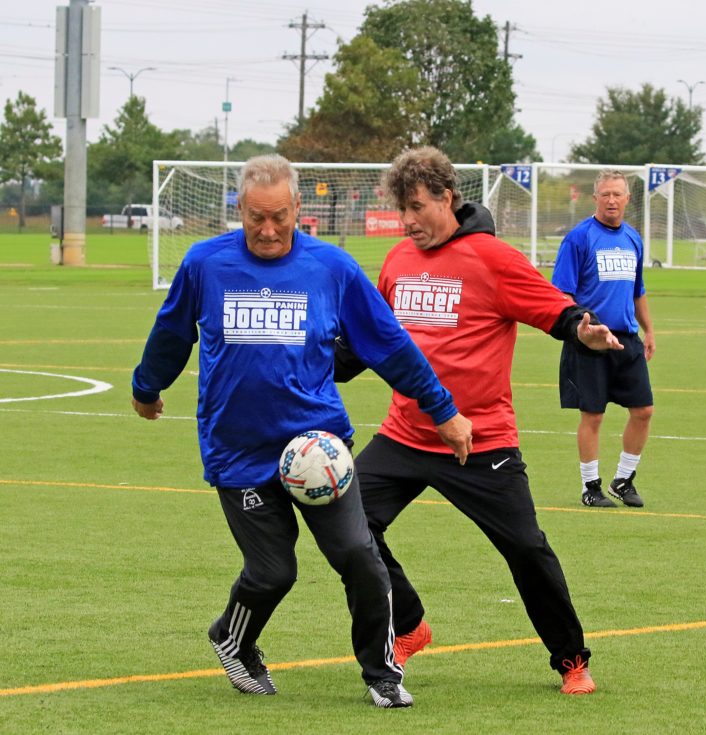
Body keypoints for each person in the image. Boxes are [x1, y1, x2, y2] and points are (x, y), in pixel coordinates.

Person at [131, 154, 473, 709]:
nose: (268, 231)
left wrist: (442, 407)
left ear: (298, 209)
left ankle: (382, 674)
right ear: (239, 209)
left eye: (280, 217)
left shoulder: (332, 269)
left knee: (361, 556)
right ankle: (233, 639)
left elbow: (387, 343)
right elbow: (172, 333)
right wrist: (147, 388)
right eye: (255, 218)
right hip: (238, 452)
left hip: (319, 450)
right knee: (272, 572)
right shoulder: (204, 264)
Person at [334, 146, 623, 696]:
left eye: (418, 207)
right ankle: (409, 624)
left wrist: (584, 330)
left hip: (481, 440)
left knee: (525, 548)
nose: (409, 221)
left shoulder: (493, 259)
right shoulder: (397, 261)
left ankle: (571, 659)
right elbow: (370, 341)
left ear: (447, 197)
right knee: (349, 524)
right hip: (405, 433)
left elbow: (556, 310)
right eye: (402, 210)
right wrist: (309, 364)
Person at [552, 169, 655, 508]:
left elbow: (637, 291)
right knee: (593, 415)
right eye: (606, 194)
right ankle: (590, 487)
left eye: (618, 194)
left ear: (627, 199)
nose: (612, 200)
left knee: (643, 410)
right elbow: (561, 293)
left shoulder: (633, 239)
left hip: (627, 340)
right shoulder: (579, 238)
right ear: (595, 198)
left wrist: (649, 330)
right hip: (591, 342)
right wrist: (582, 331)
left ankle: (623, 480)